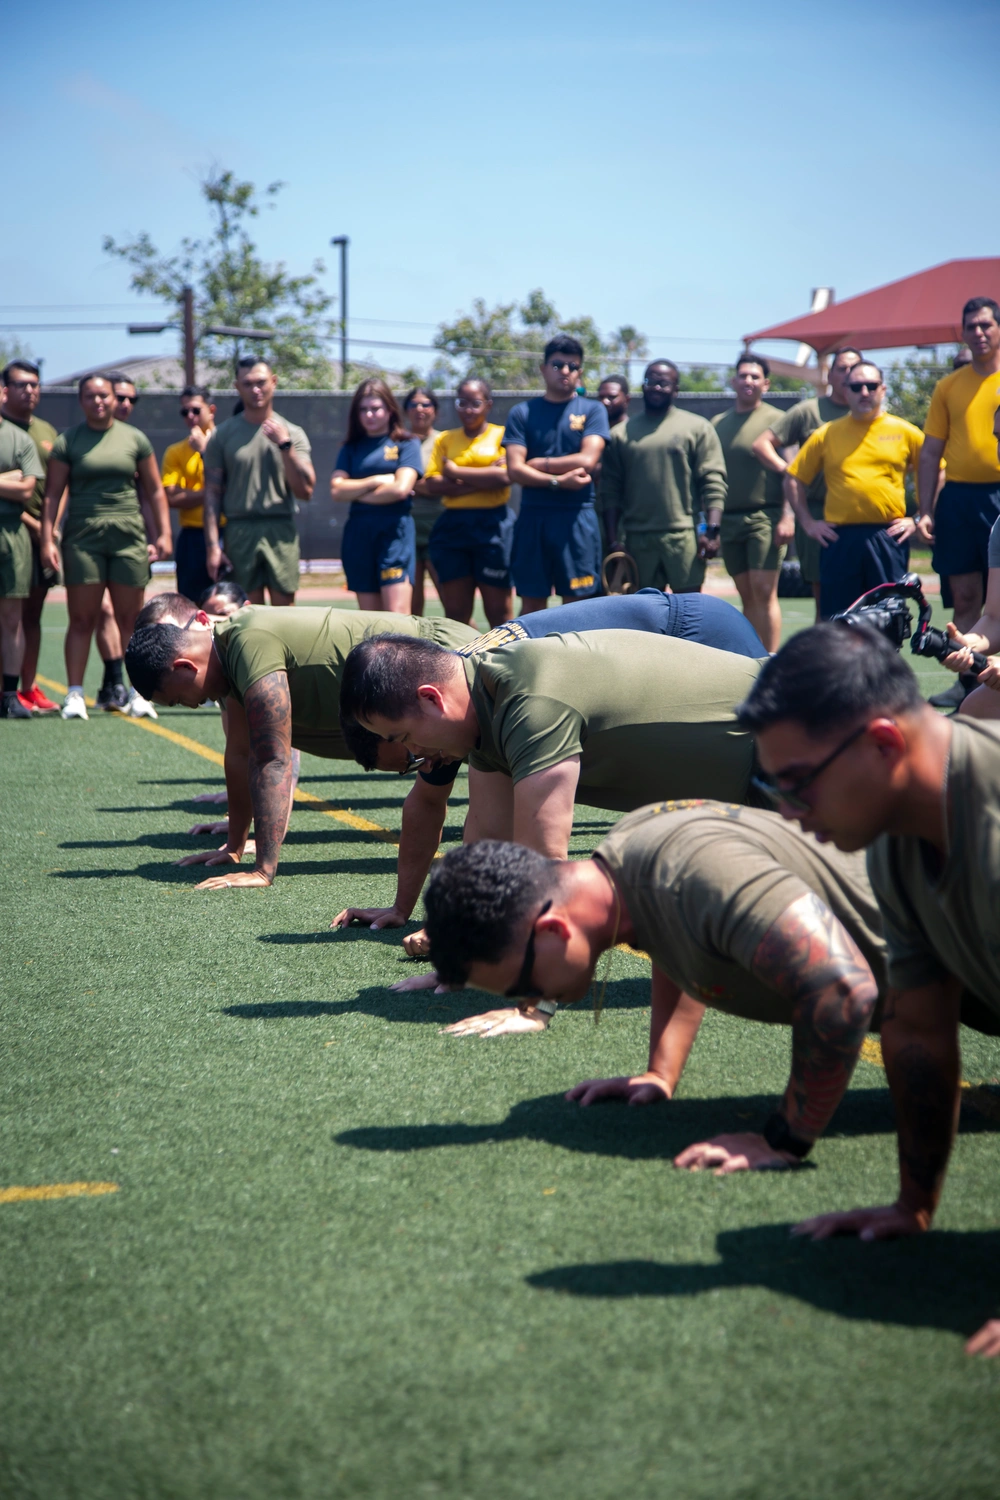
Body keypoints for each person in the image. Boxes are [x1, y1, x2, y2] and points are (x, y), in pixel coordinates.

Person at [734, 621, 1000, 1358]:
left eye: (796, 784)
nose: (789, 811)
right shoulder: (897, 834)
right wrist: (914, 1205)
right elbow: (918, 1025)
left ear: (884, 744)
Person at [421, 807, 886, 1169]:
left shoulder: (689, 872)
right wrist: (661, 1072)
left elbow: (842, 991)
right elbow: (672, 932)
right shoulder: (631, 864)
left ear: (553, 930)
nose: (528, 1002)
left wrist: (785, 1139)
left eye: (524, 985)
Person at [333, 591, 765, 943]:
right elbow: (485, 838)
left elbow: (546, 864)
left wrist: (531, 1004)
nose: (419, 755)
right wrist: (455, 941)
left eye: (405, 740)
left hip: (706, 643)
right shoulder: (477, 707)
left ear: (431, 699)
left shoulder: (520, 702)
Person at [124, 606, 480, 888]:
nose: (186, 707)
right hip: (432, 667)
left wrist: (263, 870)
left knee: (500, 790)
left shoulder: (248, 641)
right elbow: (239, 755)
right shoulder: (229, 664)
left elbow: (272, 760)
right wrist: (234, 848)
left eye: (175, 700)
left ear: (184, 667)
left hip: (445, 658)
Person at [39, 374, 170, 721]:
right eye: (90, 396)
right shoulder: (69, 441)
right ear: (80, 400)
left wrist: (164, 534)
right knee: (82, 619)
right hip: (83, 538)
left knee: (133, 619)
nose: (98, 401)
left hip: (128, 536)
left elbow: (155, 490)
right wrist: (47, 538)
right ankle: (75, 695)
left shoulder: (135, 439)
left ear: (115, 399)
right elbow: (52, 494)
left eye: (104, 395)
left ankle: (140, 693)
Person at [784, 362, 922, 618]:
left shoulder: (905, 432)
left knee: (888, 619)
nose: (864, 392)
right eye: (857, 387)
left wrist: (922, 517)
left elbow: (936, 469)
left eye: (871, 386)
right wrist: (807, 523)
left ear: (883, 389)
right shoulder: (827, 434)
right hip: (840, 540)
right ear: (845, 391)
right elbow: (793, 478)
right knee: (839, 622)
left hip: (887, 536)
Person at [916, 298, 1000, 709]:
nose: (979, 333)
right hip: (961, 499)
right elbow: (930, 453)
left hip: (997, 493)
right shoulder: (949, 386)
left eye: (986, 325)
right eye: (971, 326)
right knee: (967, 599)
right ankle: (971, 680)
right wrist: (926, 508)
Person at [751, 348, 864, 617]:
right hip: (819, 515)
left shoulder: (872, 413)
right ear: (830, 374)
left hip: (863, 518)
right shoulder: (809, 411)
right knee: (825, 602)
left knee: (867, 600)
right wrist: (790, 470)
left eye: (854, 368)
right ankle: (824, 657)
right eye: (841, 369)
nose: (848, 375)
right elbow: (762, 444)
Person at [598, 360, 726, 594]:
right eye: (650, 381)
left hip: (684, 535)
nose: (656, 387)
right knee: (643, 615)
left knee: (689, 611)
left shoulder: (697, 428)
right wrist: (614, 541)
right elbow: (610, 491)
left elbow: (713, 480)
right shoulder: (620, 435)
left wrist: (712, 530)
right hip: (637, 540)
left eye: (664, 383)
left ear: (676, 389)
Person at [503, 336, 610, 611]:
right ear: (543, 368)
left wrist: (540, 464)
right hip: (533, 517)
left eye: (572, 366)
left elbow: (587, 459)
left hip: (576, 517)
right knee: (532, 606)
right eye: (558, 364)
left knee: (577, 608)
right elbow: (515, 469)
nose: (565, 371)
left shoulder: (593, 409)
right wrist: (558, 480)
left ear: (580, 372)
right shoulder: (522, 412)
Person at [203, 358, 314, 605]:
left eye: (261, 382)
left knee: (285, 615)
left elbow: (305, 491)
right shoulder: (222, 435)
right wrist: (213, 547)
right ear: (237, 387)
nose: (256, 389)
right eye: (248, 383)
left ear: (273, 383)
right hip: (239, 530)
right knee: (245, 611)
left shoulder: (292, 433)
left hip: (280, 529)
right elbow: (212, 494)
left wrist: (285, 446)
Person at [712, 354, 794, 651]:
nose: (748, 381)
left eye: (755, 377)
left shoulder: (778, 421)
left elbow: (792, 471)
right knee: (746, 594)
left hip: (765, 517)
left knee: (764, 591)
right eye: (743, 376)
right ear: (733, 381)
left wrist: (788, 517)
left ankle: (770, 660)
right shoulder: (718, 424)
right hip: (730, 520)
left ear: (766, 383)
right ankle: (751, 658)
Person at [423, 377, 513, 628]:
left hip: (493, 525)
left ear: (488, 404)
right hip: (453, 527)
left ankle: (504, 662)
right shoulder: (445, 439)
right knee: (456, 612)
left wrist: (454, 471)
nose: (468, 410)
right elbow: (432, 484)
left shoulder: (502, 435)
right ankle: (460, 665)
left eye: (475, 403)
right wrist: (485, 478)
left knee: (499, 612)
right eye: (462, 403)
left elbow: (505, 477)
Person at [0, 360, 61, 713]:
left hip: (39, 538)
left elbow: (49, 486)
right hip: (20, 528)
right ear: (7, 389)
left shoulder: (45, 432)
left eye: (35, 385)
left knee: (31, 615)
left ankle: (27, 687)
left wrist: (48, 529)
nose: (30, 391)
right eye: (22, 385)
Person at [331, 379, 422, 613]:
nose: (369, 414)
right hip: (358, 535)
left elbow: (401, 489)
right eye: (363, 409)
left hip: (394, 534)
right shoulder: (350, 447)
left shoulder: (407, 443)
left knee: (397, 620)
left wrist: (355, 491)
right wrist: (376, 481)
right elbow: (336, 490)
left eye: (375, 408)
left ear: (390, 410)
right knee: (371, 622)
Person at [0, 391, 45, 718]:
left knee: (12, 618)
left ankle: (10, 695)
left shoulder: (19, 438)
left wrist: (19, 480)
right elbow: (17, 483)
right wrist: (7, 479)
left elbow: (28, 488)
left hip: (11, 534)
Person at [162, 386, 218, 605]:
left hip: (227, 533)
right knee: (190, 606)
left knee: (228, 603)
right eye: (184, 412)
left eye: (196, 410)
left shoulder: (226, 443)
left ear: (211, 410)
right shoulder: (176, 451)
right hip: (192, 537)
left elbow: (233, 488)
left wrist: (205, 452)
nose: (190, 417)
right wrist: (213, 493)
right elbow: (172, 497)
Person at [404, 388, 442, 616]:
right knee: (412, 607)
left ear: (435, 411)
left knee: (455, 605)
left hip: (439, 530)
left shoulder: (444, 440)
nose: (420, 409)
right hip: (407, 529)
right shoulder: (397, 441)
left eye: (426, 404)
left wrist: (406, 480)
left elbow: (444, 484)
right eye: (414, 405)